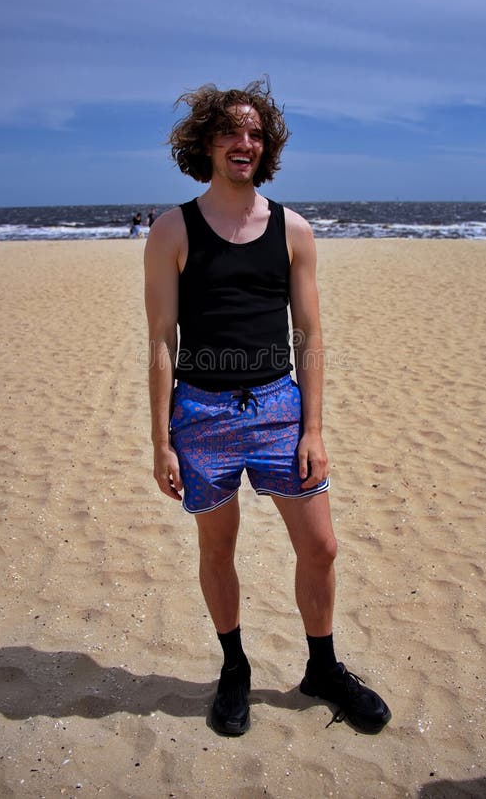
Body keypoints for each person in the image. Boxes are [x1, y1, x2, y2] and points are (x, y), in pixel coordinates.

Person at [143, 79, 391, 736]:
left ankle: (323, 668)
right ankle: (234, 671)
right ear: (204, 143)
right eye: (229, 131)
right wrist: (160, 440)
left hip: (281, 411)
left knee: (321, 546)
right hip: (199, 416)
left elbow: (309, 336)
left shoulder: (293, 230)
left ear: (267, 146)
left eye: (254, 133)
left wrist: (312, 427)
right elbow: (162, 343)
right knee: (217, 549)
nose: (243, 143)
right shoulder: (172, 228)